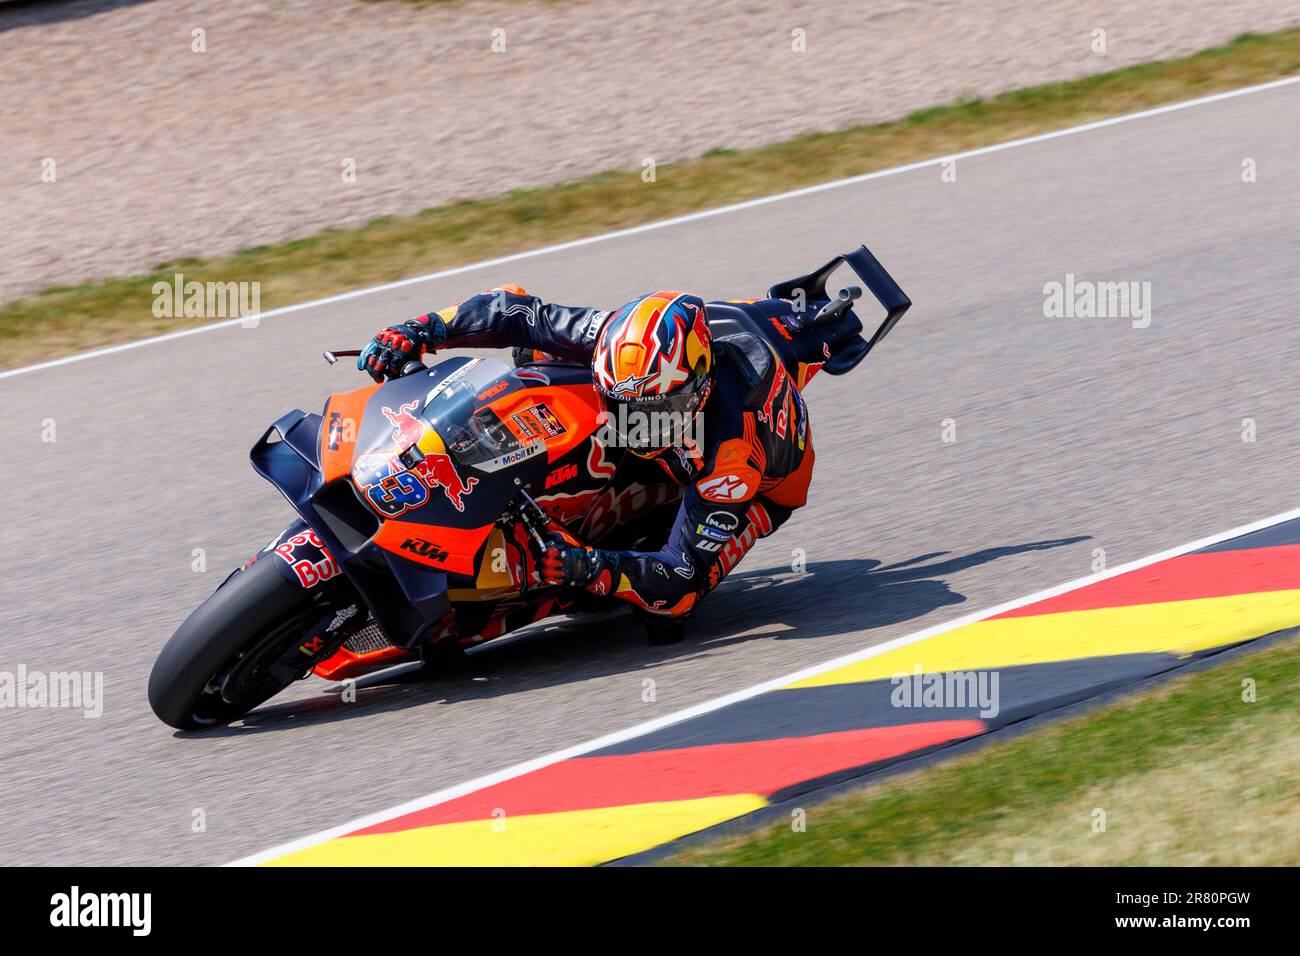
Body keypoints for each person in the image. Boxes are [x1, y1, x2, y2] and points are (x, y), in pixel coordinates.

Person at [359, 285, 816, 640]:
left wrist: (591, 567)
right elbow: (515, 311)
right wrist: (420, 329)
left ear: (699, 386)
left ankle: (587, 558)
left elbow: (680, 571)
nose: (635, 422)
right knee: (537, 360)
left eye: (655, 410)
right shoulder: (613, 342)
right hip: (672, 427)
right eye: (625, 405)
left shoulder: (731, 456)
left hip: (755, 491)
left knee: (668, 606)